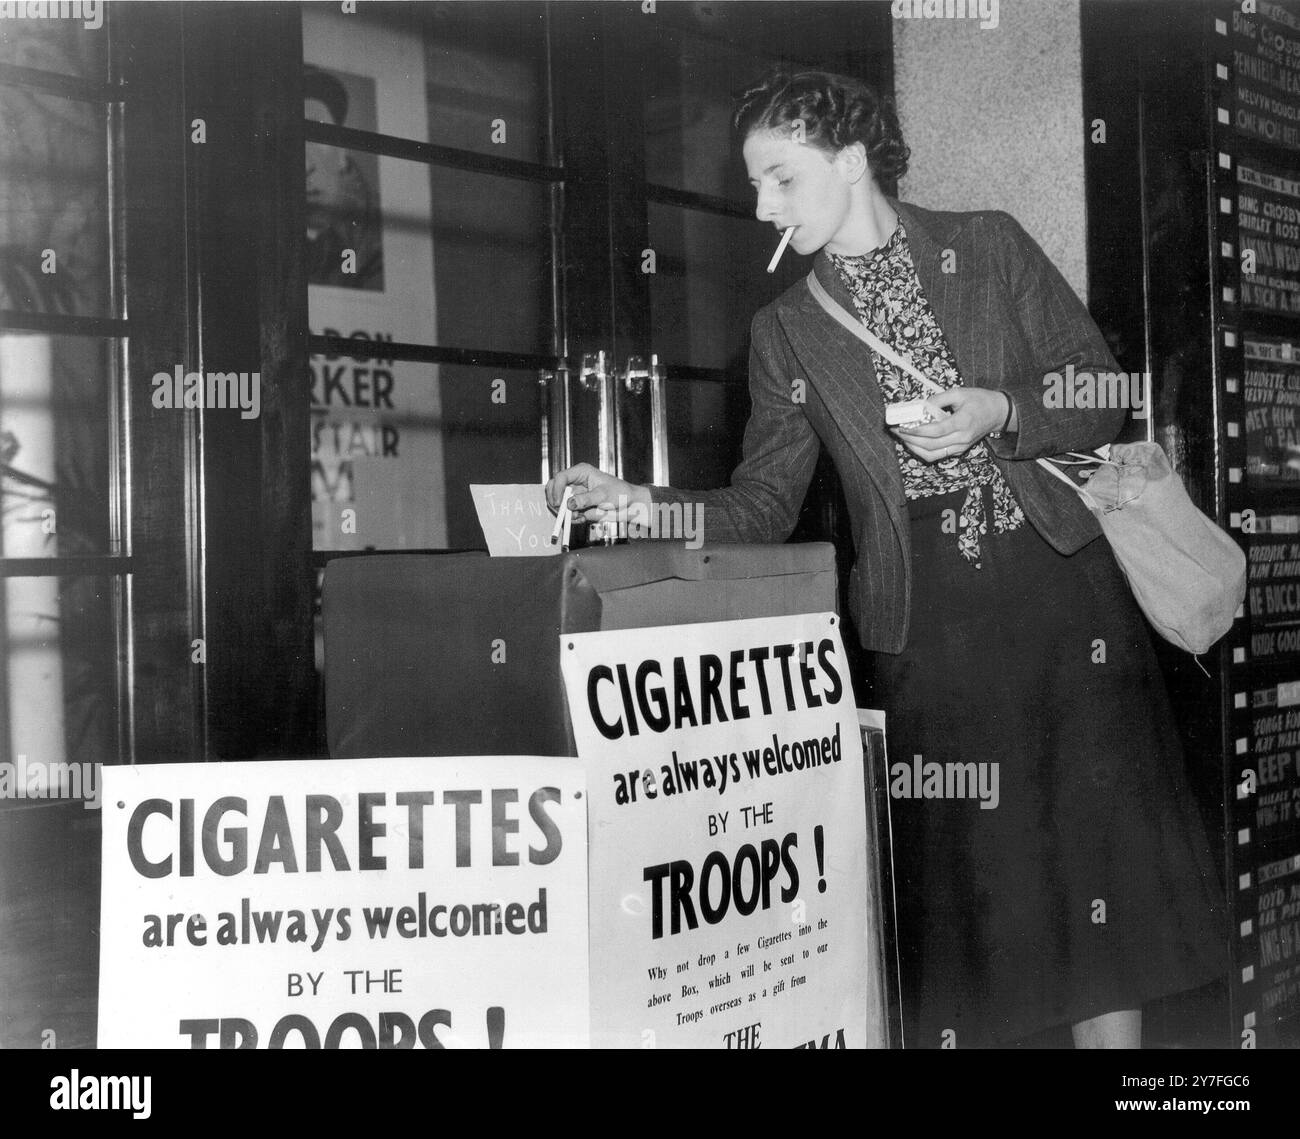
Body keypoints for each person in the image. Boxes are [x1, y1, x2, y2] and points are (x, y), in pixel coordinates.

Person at [546, 69, 1228, 1049]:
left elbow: (1095, 392)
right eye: (755, 186)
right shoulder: (784, 330)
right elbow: (762, 505)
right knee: (979, 913)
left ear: (853, 158)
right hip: (929, 634)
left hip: (1063, 605)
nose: (760, 206)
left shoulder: (986, 245)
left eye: (779, 178)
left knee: (1097, 887)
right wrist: (642, 504)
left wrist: (999, 411)